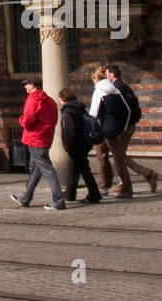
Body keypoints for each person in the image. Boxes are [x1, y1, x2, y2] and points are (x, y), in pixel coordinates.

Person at [10, 75, 65, 210]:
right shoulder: (50, 101)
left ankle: (58, 201)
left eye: (27, 84)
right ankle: (25, 198)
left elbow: (27, 121)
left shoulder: (33, 100)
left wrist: (21, 120)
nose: (25, 87)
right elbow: (53, 119)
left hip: (35, 138)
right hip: (45, 137)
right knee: (37, 168)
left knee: (47, 169)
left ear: (33, 85)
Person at [105, 64, 157, 194]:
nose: (106, 77)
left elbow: (121, 109)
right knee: (120, 155)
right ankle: (146, 174)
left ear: (112, 74)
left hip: (125, 126)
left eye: (107, 74)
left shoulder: (118, 88)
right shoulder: (123, 86)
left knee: (119, 156)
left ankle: (132, 180)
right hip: (129, 124)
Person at [90, 65, 132, 198]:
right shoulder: (114, 90)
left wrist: (91, 130)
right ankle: (105, 184)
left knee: (114, 157)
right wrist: (122, 127)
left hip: (105, 129)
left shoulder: (99, 91)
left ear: (96, 79)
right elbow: (127, 110)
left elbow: (93, 113)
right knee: (105, 154)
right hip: (114, 128)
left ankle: (125, 187)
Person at [58, 89, 102, 204]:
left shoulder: (67, 112)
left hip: (76, 144)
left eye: (60, 100)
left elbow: (68, 131)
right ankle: (70, 193)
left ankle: (94, 194)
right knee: (74, 168)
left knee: (84, 170)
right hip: (85, 142)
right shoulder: (81, 109)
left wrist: (67, 146)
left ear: (63, 99)